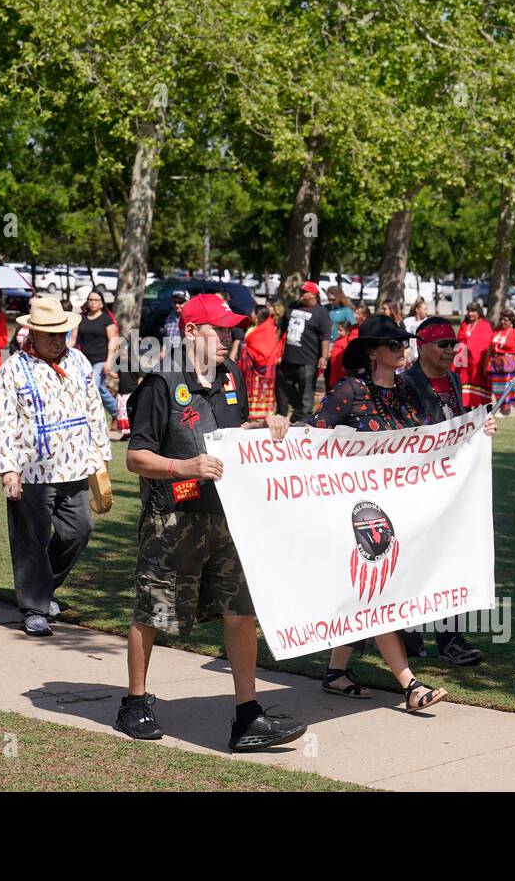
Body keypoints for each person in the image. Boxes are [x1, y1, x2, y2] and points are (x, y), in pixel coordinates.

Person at [117, 293, 307, 752]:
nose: (227, 337)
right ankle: (135, 702)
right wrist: (185, 467)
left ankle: (248, 717)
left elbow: (228, 436)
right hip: (174, 517)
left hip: (226, 516)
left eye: (229, 330)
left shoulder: (229, 376)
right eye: (217, 329)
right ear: (188, 332)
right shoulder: (160, 383)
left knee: (241, 612)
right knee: (156, 610)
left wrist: (264, 425)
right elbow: (134, 456)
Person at [310, 314, 496, 706]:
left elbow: (431, 440)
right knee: (378, 597)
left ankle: (336, 671)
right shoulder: (351, 390)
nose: (402, 350)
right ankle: (410, 686)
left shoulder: (408, 393)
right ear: (373, 352)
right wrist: (281, 430)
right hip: (361, 511)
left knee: (364, 597)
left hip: (400, 509)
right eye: (394, 345)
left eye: (403, 344)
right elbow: (312, 434)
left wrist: (476, 431)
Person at [0, 296, 111, 637]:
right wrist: (7, 467)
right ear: (32, 332)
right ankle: (33, 607)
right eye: (50, 333)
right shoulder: (13, 368)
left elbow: (94, 409)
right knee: (31, 540)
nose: (58, 339)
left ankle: (44, 588)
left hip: (75, 467)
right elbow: (1, 420)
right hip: (32, 470)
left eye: (62, 332)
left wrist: (100, 456)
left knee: (78, 531)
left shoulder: (80, 362)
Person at [398, 316, 490, 665]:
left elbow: (457, 424)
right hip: (416, 485)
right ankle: (404, 630)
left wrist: (480, 424)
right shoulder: (406, 383)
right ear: (422, 346)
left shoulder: (452, 379)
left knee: (451, 560)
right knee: (412, 560)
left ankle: (451, 637)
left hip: (448, 485)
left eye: (454, 344)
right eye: (444, 345)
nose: (452, 350)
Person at [275, 281, 331, 422]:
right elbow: (280, 330)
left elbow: (325, 337)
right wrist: (273, 349)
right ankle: (292, 412)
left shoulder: (321, 313)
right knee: (283, 384)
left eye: (304, 291)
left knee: (306, 394)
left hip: (308, 360)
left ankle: (300, 421)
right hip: (288, 358)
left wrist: (323, 357)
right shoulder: (293, 306)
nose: (300, 294)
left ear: (313, 294)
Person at [75, 288, 120, 423]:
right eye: (90, 300)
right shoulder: (81, 318)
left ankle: (117, 413)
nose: (93, 302)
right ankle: (117, 413)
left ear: (101, 303)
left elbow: (113, 341)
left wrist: (109, 361)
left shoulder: (107, 319)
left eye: (96, 300)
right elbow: (72, 340)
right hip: (84, 361)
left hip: (100, 360)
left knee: (94, 386)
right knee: (95, 388)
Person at [238, 305, 282, 422]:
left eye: (252, 312)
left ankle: (262, 414)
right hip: (251, 367)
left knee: (262, 389)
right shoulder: (254, 327)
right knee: (250, 389)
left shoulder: (267, 328)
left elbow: (266, 349)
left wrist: (248, 349)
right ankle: (251, 412)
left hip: (262, 365)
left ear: (258, 315)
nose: (250, 313)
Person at [456, 302, 493, 409]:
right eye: (469, 311)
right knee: (464, 396)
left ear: (479, 312)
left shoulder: (485, 326)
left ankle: (479, 414)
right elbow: (459, 341)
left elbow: (486, 345)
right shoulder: (464, 324)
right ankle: (465, 411)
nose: (470, 314)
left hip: (478, 365)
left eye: (473, 311)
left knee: (478, 398)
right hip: (464, 365)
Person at [489, 311, 515, 415]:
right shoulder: (496, 331)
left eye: (505, 320)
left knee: (507, 388)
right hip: (497, 365)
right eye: (501, 319)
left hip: (509, 365)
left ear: (511, 321)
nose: (502, 322)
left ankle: (506, 409)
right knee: (497, 389)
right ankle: (501, 408)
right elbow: (490, 349)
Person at [402, 296, 429, 367]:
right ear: (417, 310)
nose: (426, 311)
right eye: (424, 309)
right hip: (409, 355)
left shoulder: (428, 322)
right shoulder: (408, 321)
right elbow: (405, 338)